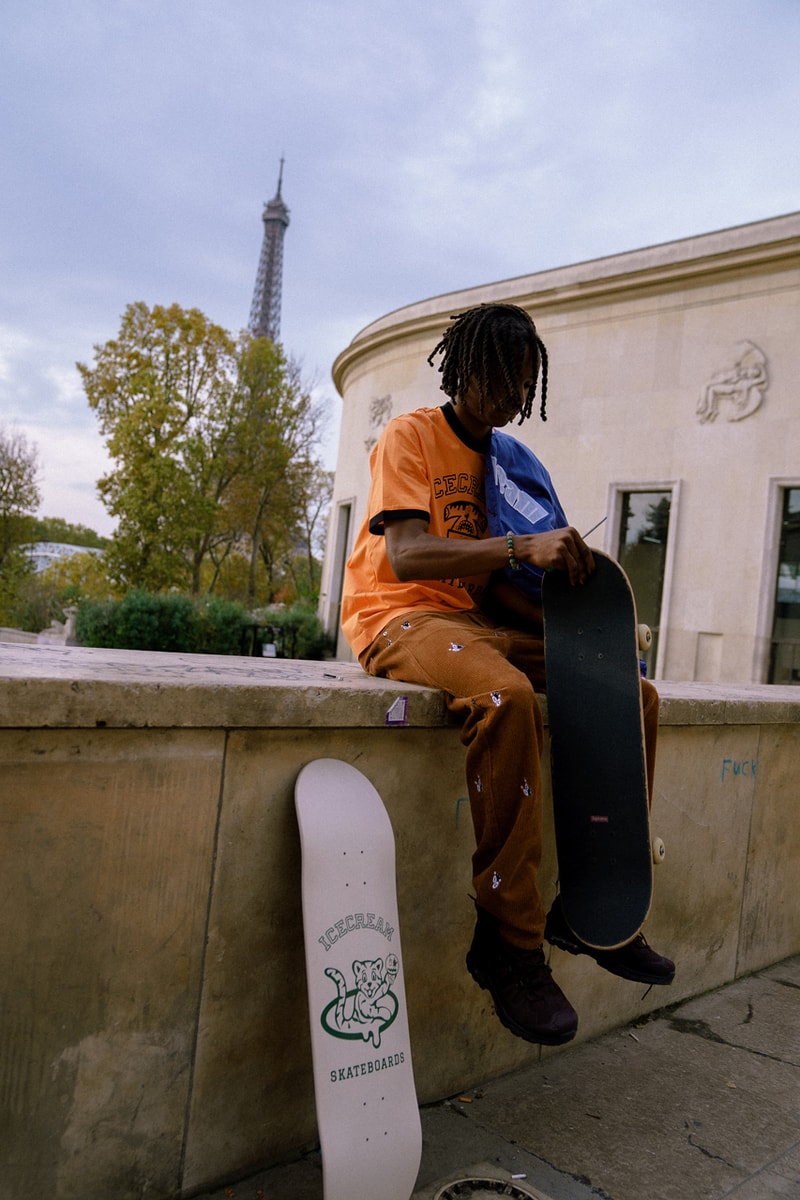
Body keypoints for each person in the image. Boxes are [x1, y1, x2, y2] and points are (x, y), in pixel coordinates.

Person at [341, 302, 674, 1046]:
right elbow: (409, 555)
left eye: (525, 384)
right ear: (464, 370)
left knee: (632, 696)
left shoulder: (510, 462)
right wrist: (524, 548)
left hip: (480, 622)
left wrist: (571, 587)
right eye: (503, 378)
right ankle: (507, 938)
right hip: (398, 616)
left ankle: (591, 910)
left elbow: (512, 579)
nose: (514, 397)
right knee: (507, 696)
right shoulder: (412, 436)